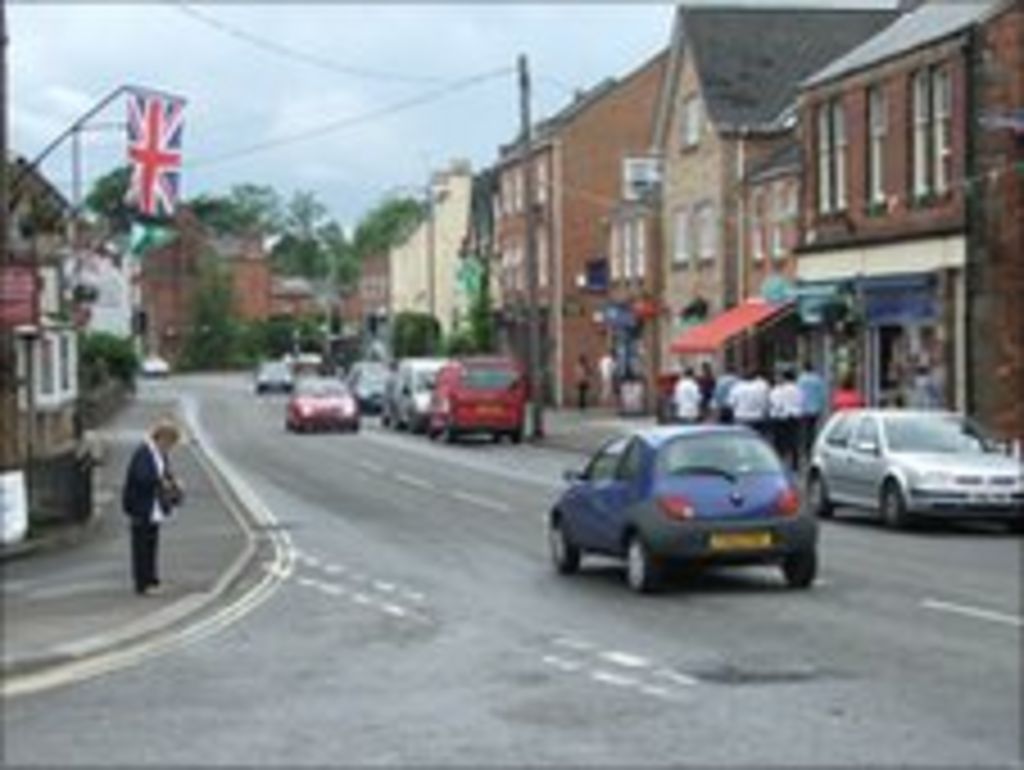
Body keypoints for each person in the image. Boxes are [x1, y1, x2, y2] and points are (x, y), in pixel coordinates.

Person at [122, 419, 184, 596]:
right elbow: (142, 477)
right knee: (141, 546)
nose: (170, 448)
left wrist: (174, 482)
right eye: (169, 443)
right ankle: (142, 584)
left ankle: (152, 579)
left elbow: (165, 472)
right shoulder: (143, 453)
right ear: (161, 438)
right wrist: (161, 482)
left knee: (151, 543)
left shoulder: (159, 454)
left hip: (153, 507)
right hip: (140, 505)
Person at [769, 368, 804, 470]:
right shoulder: (798, 389)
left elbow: (776, 403)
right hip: (795, 416)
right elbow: (801, 402)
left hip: (781, 417)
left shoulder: (779, 389)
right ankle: (795, 463)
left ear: (784, 378)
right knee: (794, 440)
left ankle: (779, 461)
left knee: (780, 441)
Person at [797, 361, 827, 461]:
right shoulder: (817, 379)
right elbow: (822, 395)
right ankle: (812, 447)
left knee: (804, 430)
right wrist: (821, 406)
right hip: (815, 409)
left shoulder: (801, 380)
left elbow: (798, 394)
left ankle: (805, 449)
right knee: (812, 429)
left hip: (803, 409)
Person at [729, 368, 770, 436]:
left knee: (742, 438)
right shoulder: (763, 385)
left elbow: (731, 403)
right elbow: (767, 402)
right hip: (758, 417)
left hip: (741, 417)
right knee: (758, 437)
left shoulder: (737, 386)